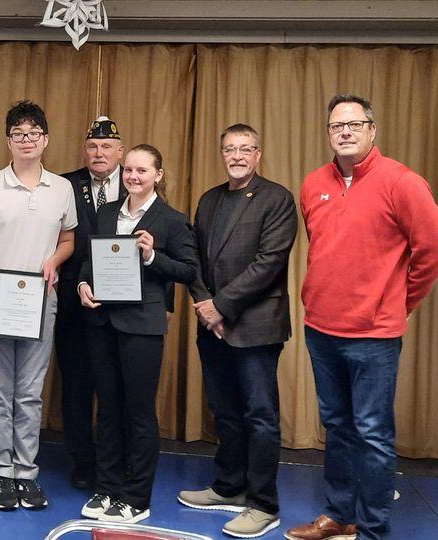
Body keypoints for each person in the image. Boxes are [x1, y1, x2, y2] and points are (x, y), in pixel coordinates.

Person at [285, 94, 438, 540]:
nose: (345, 132)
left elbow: (434, 253)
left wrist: (396, 303)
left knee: (373, 434)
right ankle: (339, 516)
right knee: (337, 428)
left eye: (354, 124)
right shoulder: (313, 183)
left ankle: (373, 529)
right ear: (328, 133)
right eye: (337, 126)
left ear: (372, 130)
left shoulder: (403, 182)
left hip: (374, 335)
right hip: (321, 328)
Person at [177, 124, 298, 538]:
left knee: (260, 416)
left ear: (258, 154)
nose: (238, 155)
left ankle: (263, 504)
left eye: (246, 149)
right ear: (222, 153)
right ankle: (229, 485)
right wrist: (204, 302)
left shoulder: (277, 198)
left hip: (256, 326)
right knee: (224, 411)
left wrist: (221, 306)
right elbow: (192, 255)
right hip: (212, 326)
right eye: (230, 149)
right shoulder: (209, 199)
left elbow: (269, 262)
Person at [0, 100, 77, 511]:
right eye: (18, 135)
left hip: (39, 298)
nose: (26, 141)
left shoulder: (61, 189)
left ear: (45, 140)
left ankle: (26, 473)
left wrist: (55, 260)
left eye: (33, 134)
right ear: (8, 141)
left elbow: (69, 239)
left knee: (29, 392)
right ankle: (2, 475)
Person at [78, 144, 198, 524]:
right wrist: (83, 284)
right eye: (128, 169)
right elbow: (88, 259)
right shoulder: (108, 211)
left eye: (142, 171)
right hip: (102, 324)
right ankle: (107, 487)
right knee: (108, 408)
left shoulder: (172, 220)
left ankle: (136, 497)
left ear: (158, 175)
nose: (133, 176)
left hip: (142, 327)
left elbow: (188, 270)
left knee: (139, 413)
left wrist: (151, 257)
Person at [58, 116, 126, 489]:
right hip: (72, 299)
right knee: (76, 385)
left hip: (120, 302)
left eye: (106, 147)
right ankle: (82, 459)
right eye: (93, 147)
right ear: (85, 150)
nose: (99, 153)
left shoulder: (134, 183)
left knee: (114, 384)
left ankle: (114, 458)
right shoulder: (67, 184)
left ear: (120, 151)